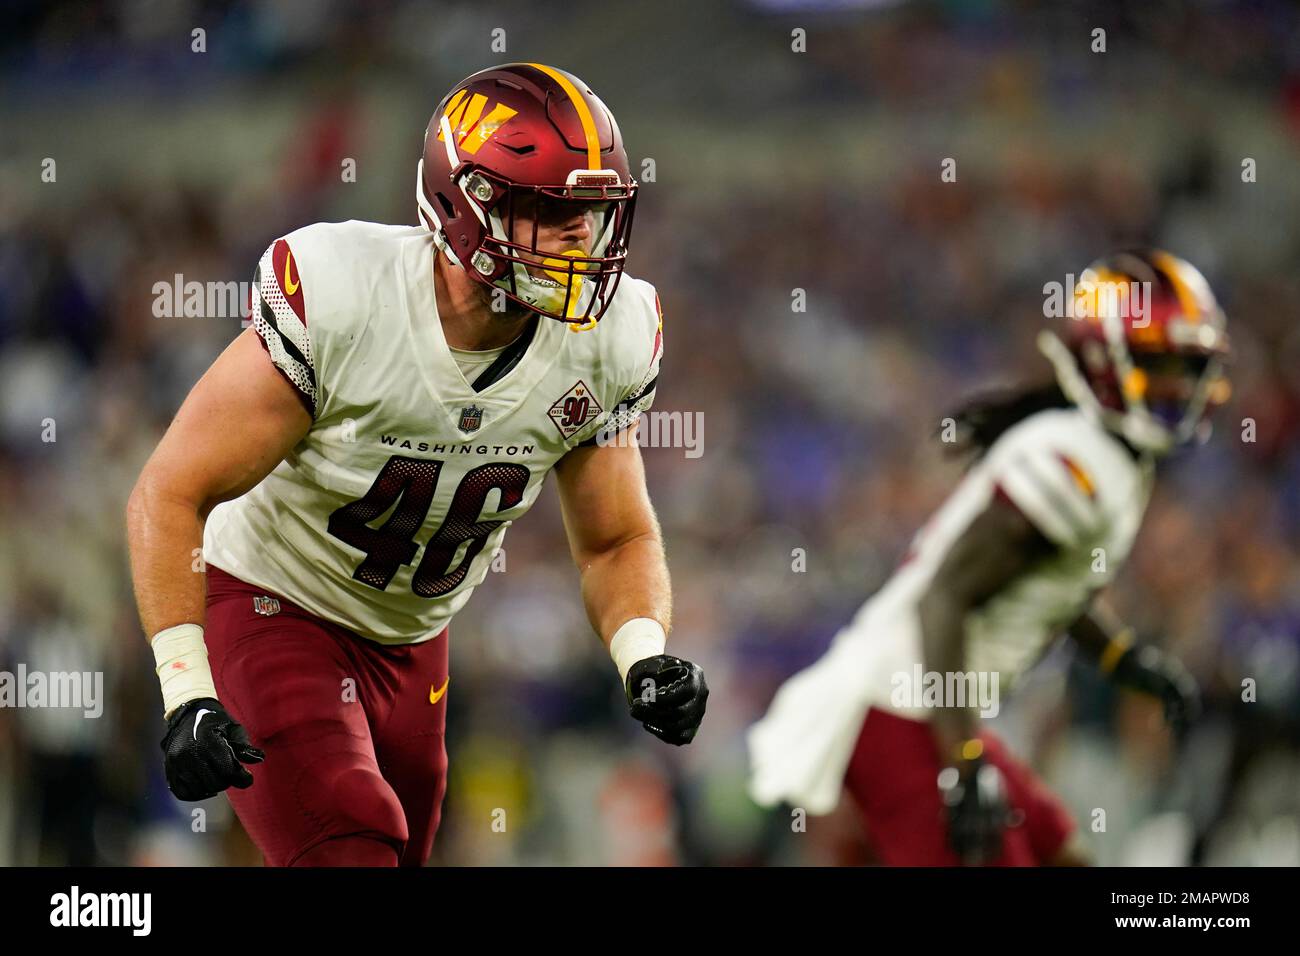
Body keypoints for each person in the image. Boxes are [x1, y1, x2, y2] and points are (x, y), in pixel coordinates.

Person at [127, 63, 708, 867]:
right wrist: (187, 688)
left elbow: (615, 541)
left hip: (414, 645)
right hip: (272, 605)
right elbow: (171, 489)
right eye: (553, 211)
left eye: (593, 215)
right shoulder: (346, 297)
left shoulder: (608, 339)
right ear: (466, 207)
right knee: (352, 840)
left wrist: (645, 654)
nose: (584, 239)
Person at [748, 249, 1227, 865]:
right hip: (901, 711)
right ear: (1106, 359)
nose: (1178, 387)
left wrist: (1123, 657)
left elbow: (1050, 590)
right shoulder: (1074, 460)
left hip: (931, 714)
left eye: (1188, 368)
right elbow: (944, 598)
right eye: (1161, 365)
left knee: (1063, 856)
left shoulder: (1105, 456)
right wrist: (964, 763)